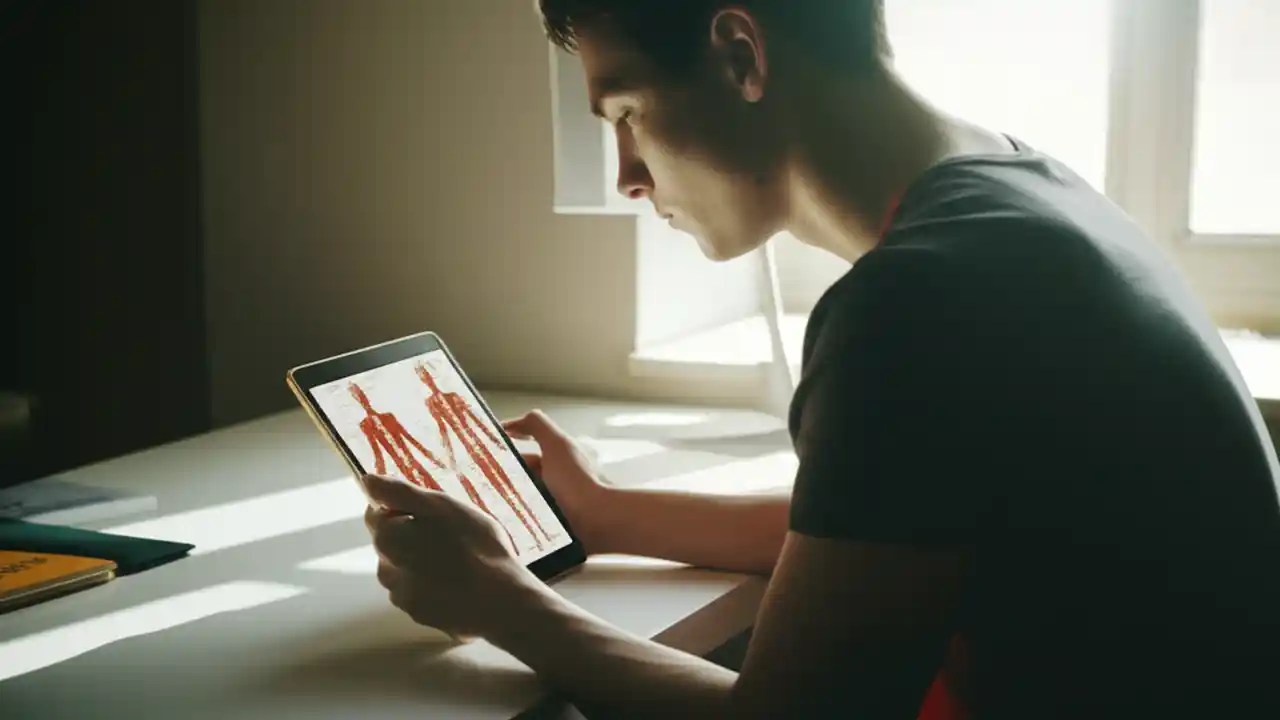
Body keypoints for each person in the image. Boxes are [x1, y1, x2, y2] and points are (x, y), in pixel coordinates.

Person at [361, 2, 1280, 717]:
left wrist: (499, 602)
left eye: (629, 112)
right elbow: (886, 537)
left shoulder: (917, 303)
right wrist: (608, 513)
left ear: (740, 56)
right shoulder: (1024, 192)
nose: (627, 175)